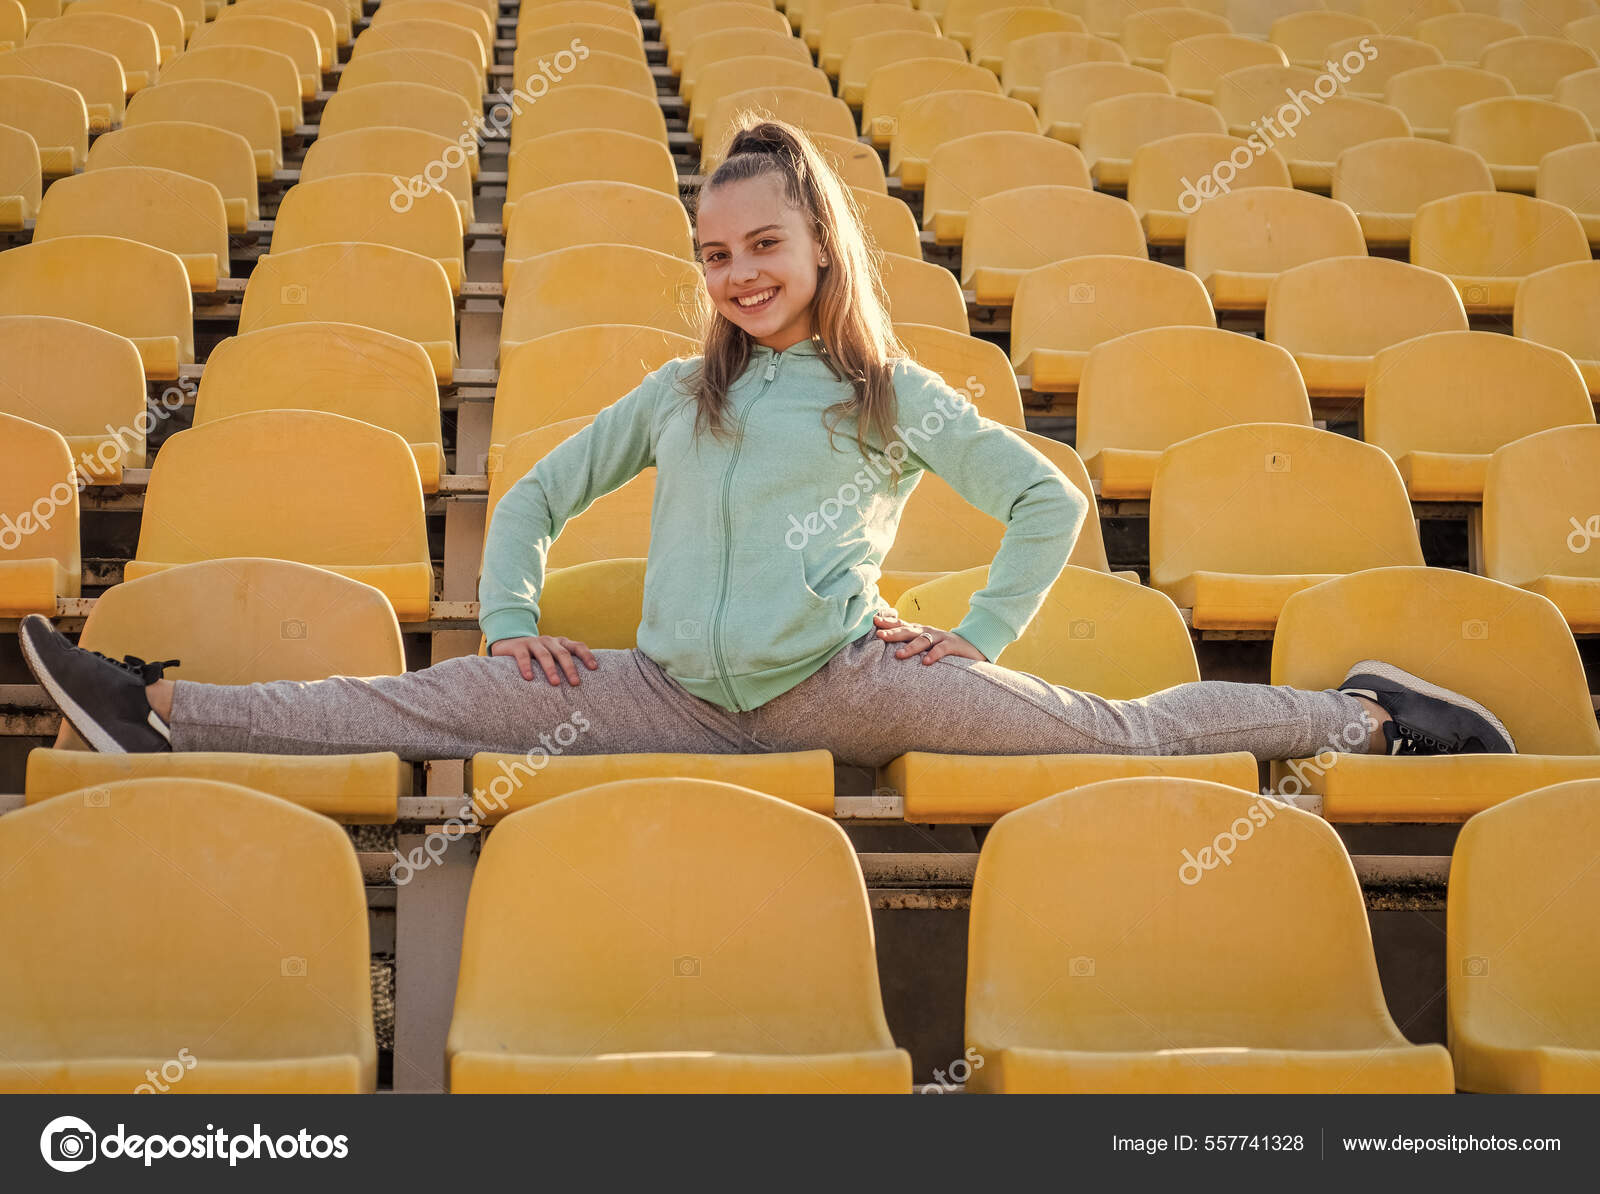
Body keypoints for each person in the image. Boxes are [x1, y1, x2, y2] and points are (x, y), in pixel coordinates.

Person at [17, 120, 1515, 770]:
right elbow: (531, 495)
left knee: (1111, 736)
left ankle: (1363, 718)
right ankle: (163, 709)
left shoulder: (885, 389)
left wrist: (974, 636)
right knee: (432, 698)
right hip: (659, 693)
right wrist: (524, 621)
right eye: (714, 251)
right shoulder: (684, 393)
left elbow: (1046, 502)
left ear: (818, 243)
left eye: (763, 245)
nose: (737, 272)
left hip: (846, 685)